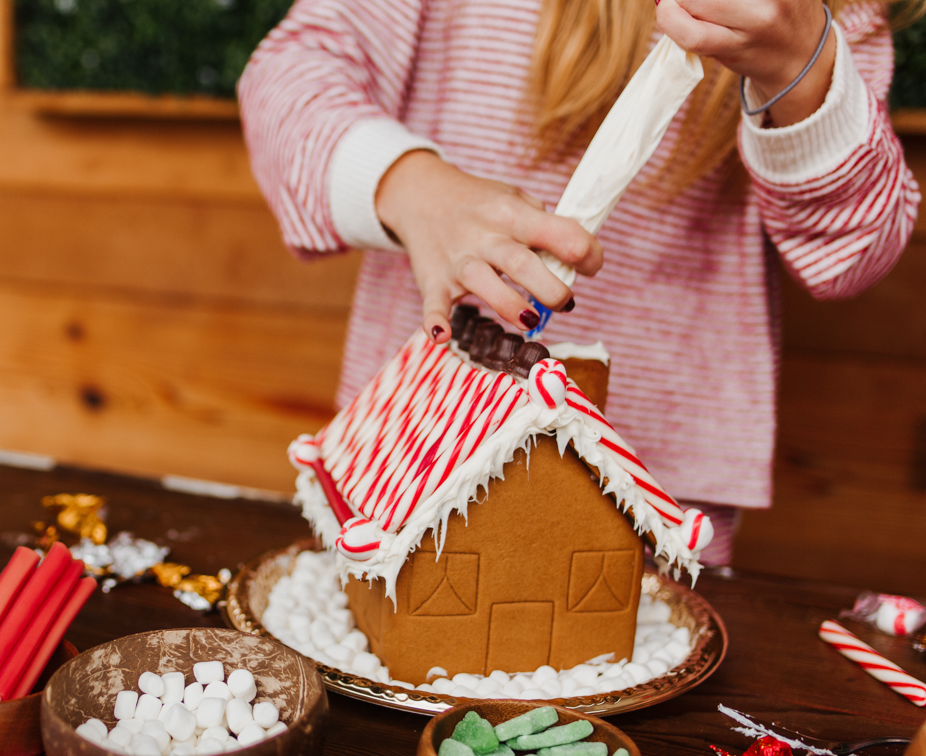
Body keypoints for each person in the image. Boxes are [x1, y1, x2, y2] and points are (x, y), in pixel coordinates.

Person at [238, 0, 921, 566]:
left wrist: (799, 65)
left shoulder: (824, 13)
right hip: (407, 452)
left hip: (651, 496)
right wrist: (409, 186)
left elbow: (853, 250)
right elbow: (289, 74)